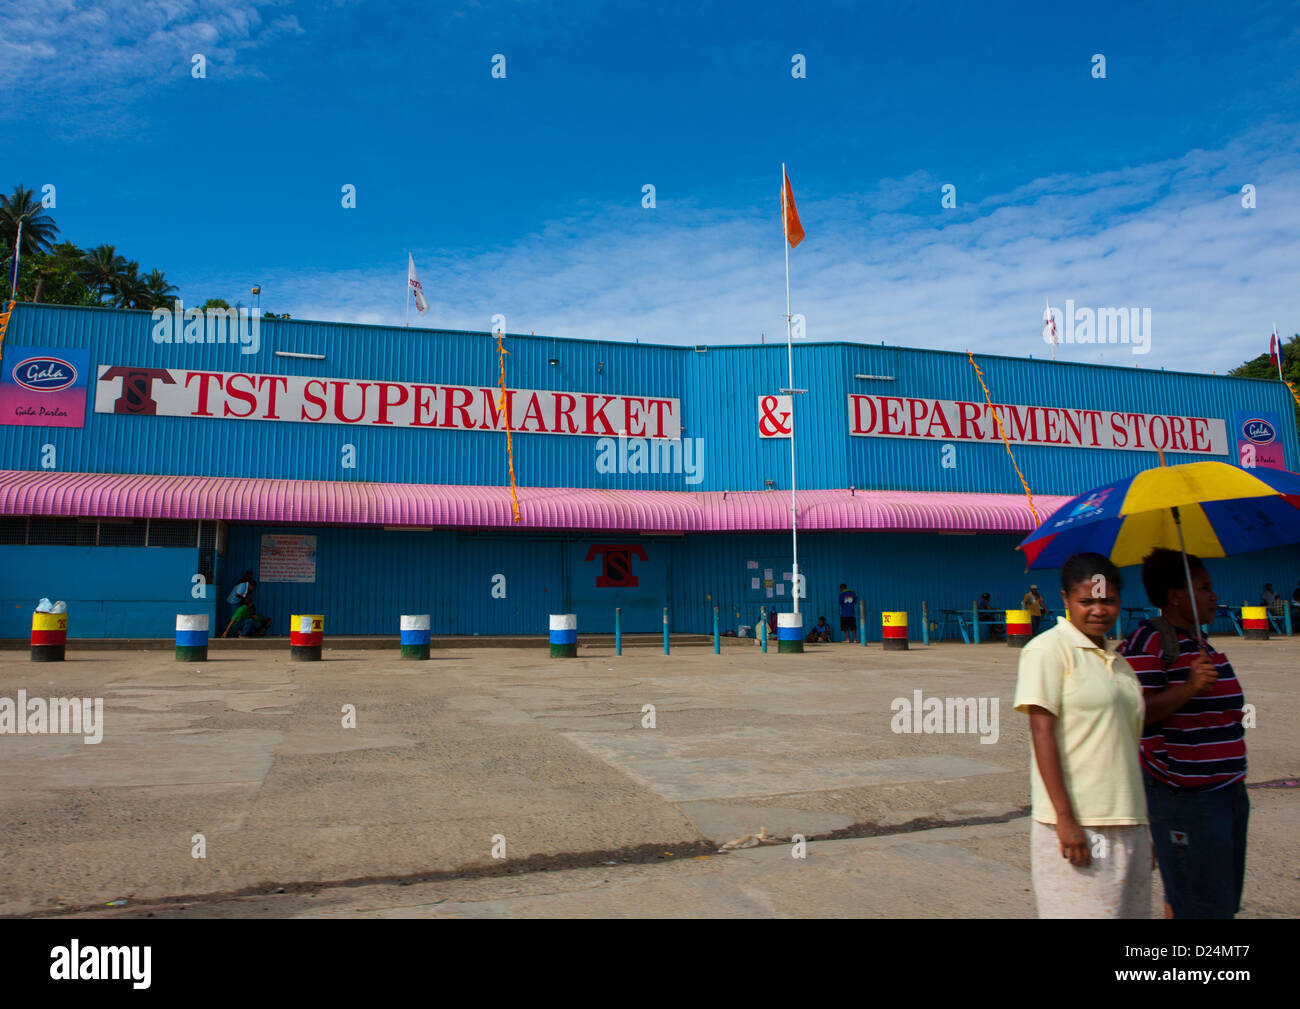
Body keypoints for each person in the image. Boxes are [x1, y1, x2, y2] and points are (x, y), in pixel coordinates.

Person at [1013, 552, 1150, 918]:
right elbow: (1042, 734)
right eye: (1087, 601)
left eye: (1108, 601)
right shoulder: (1047, 651)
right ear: (1065, 600)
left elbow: (1125, 743)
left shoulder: (1119, 662)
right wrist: (1065, 819)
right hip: (1081, 825)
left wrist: (1143, 824)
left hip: (1129, 821)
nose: (1098, 610)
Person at [1118, 548, 1248, 919]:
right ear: (1175, 595)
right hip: (1187, 799)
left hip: (1229, 793)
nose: (1214, 595)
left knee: (1217, 904)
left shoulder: (1202, 642)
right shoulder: (1150, 641)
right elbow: (1134, 715)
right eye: (1204, 588)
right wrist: (1188, 688)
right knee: (1201, 906)